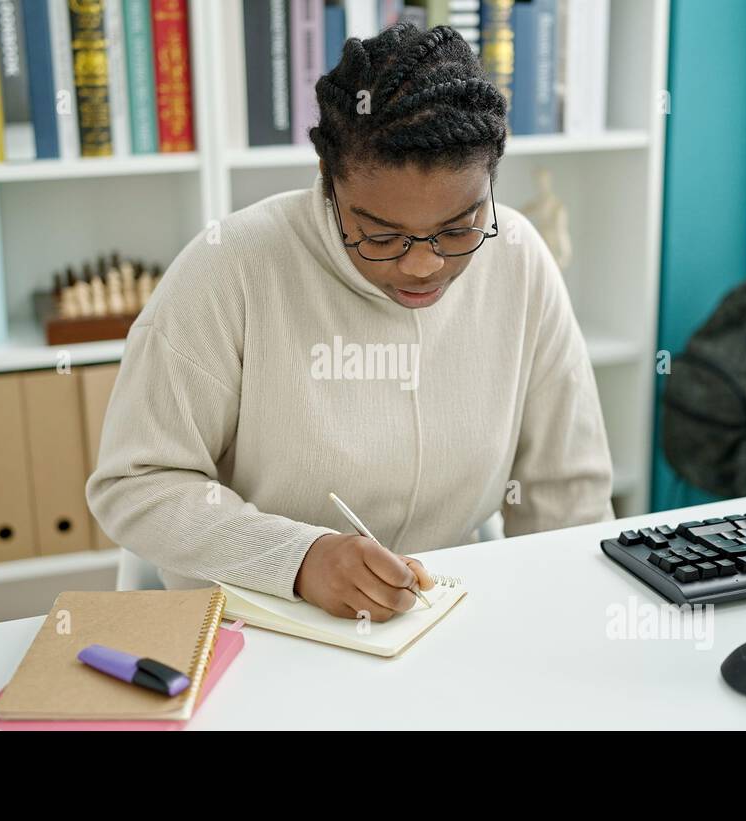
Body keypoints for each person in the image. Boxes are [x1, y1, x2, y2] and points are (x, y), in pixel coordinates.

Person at [87, 23, 613, 623]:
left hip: (441, 625)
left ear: (490, 180)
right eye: (382, 235)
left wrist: (572, 623)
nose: (424, 264)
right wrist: (296, 558)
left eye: (459, 227)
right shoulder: (230, 266)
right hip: (258, 629)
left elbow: (567, 496)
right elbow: (136, 483)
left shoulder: (517, 255)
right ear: (328, 179)